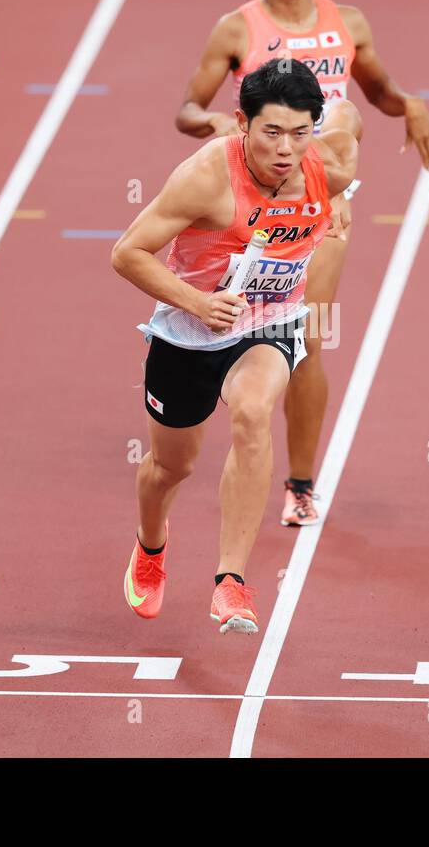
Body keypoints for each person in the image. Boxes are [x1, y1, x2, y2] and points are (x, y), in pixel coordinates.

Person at [175, 0, 429, 528]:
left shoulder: (347, 23)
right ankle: (197, 424)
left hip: (320, 206)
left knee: (305, 338)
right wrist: (219, 123)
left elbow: (376, 92)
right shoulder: (236, 28)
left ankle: (299, 484)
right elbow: (187, 106)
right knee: (224, 324)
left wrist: (412, 106)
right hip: (247, 206)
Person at [112, 60, 360, 634]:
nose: (285, 149)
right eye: (271, 132)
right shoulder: (205, 178)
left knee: (253, 412)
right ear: (241, 123)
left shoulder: (329, 164)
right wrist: (197, 303)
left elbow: (350, 119)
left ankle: (231, 582)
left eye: (300, 134)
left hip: (269, 322)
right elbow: (127, 253)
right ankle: (151, 547)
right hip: (190, 330)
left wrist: (343, 198)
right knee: (172, 468)